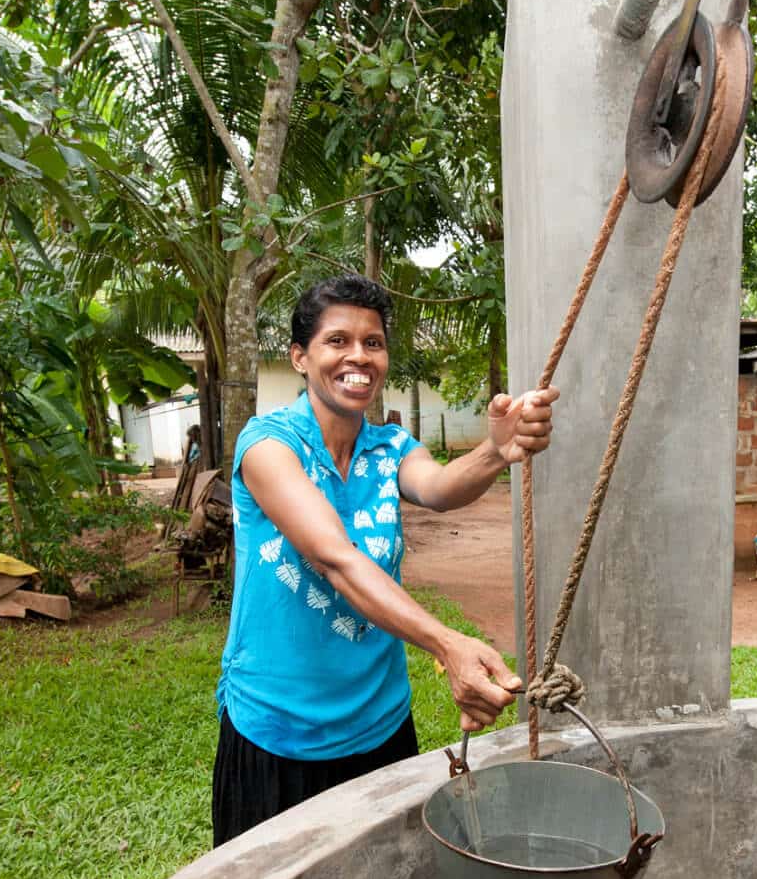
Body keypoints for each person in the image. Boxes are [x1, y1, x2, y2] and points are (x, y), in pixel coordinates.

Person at [210, 274, 558, 846]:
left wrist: (497, 449)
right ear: (300, 357)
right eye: (337, 341)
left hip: (381, 728)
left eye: (373, 343)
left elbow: (441, 486)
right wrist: (448, 643)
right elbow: (335, 558)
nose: (359, 357)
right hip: (277, 734)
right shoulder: (268, 446)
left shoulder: (389, 448)